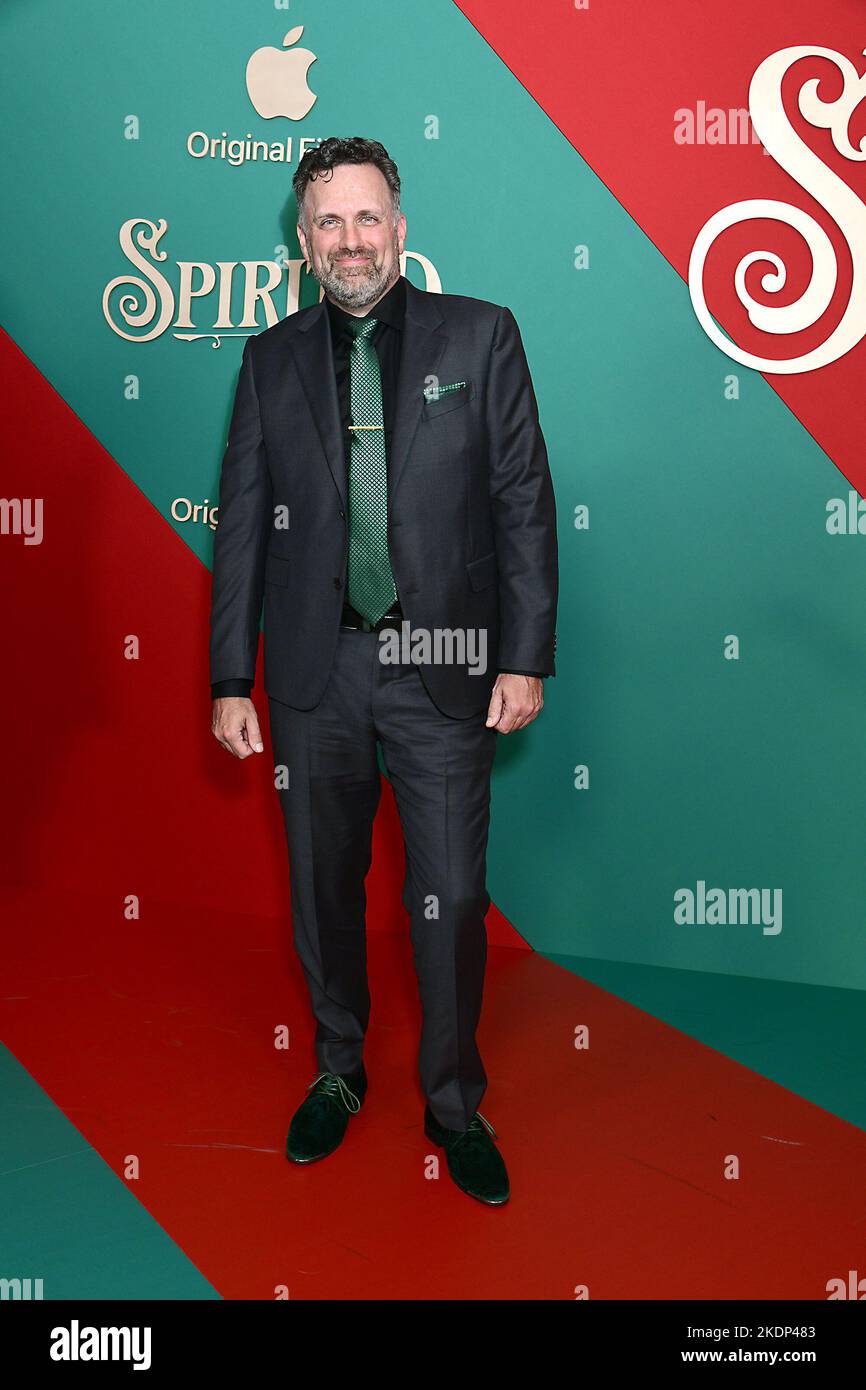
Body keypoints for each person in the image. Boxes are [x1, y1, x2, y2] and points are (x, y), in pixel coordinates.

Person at [210, 136, 557, 1205]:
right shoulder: (268, 359)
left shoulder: (482, 335)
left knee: (448, 896)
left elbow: (521, 505)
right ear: (302, 242)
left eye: (366, 218)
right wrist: (231, 676)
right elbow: (242, 535)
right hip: (316, 670)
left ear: (398, 228)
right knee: (322, 889)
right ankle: (338, 1067)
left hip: (440, 660)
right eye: (327, 222)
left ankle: (453, 1103)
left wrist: (524, 656)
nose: (349, 240)